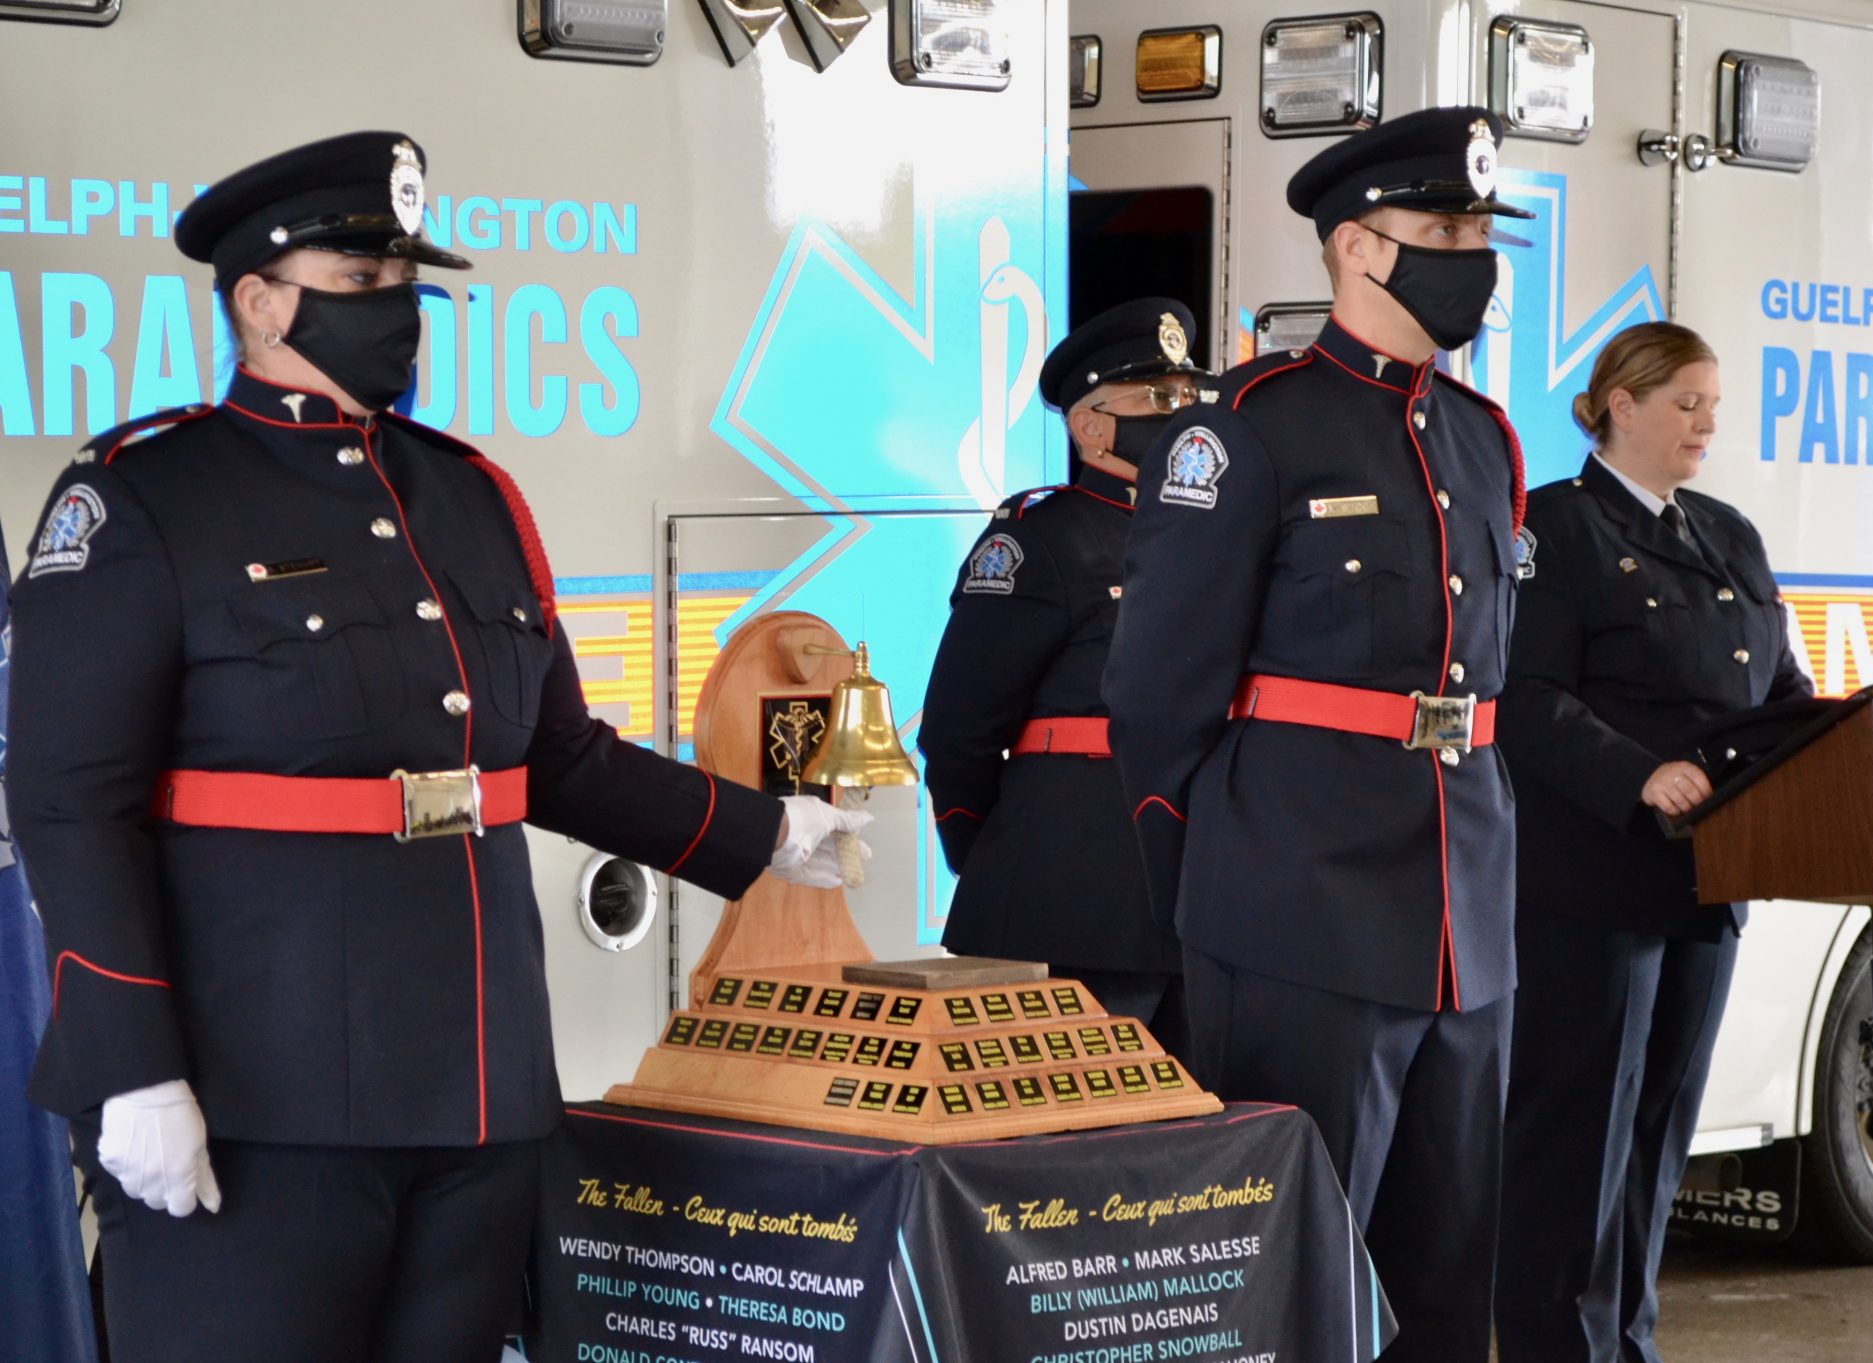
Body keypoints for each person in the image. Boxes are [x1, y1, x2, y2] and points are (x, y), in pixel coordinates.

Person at [8, 131, 868, 1363]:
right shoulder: (146, 495)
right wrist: (132, 1066)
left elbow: (558, 757)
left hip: (477, 1094)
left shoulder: (470, 495)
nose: (394, 315)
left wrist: (766, 831)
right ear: (258, 301)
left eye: (405, 287)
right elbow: (67, 803)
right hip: (257, 1100)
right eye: (359, 286)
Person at [1103, 107, 1532, 1363]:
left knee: (1447, 1292)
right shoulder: (1244, 425)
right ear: (1357, 248)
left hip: (1466, 921)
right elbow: (1158, 694)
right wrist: (1213, 894)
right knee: (1297, 1288)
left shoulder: (1479, 435)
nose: (1471, 253)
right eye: (1442, 228)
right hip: (1297, 914)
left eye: (1474, 229)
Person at [1492, 321, 1812, 1363]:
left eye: (1712, 403)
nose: (1705, 422)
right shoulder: (1551, 530)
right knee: (1572, 1148)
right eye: (1685, 402)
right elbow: (1522, 697)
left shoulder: (1726, 533)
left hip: (1704, 882)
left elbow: (1778, 689)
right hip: (1590, 885)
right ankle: (1554, 1346)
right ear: (1618, 404)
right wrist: (1632, 771)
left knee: (1655, 1146)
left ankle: (1624, 1343)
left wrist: (1827, 739)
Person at [921, 300, 1212, 1047]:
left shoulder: (1211, 533)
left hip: (1201, 901)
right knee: (1069, 1148)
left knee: (1194, 1144)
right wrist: (995, 855)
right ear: (1091, 426)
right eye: (1157, 398)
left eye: (1185, 396)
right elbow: (959, 730)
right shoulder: (1039, 541)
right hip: (1077, 901)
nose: (1179, 413)